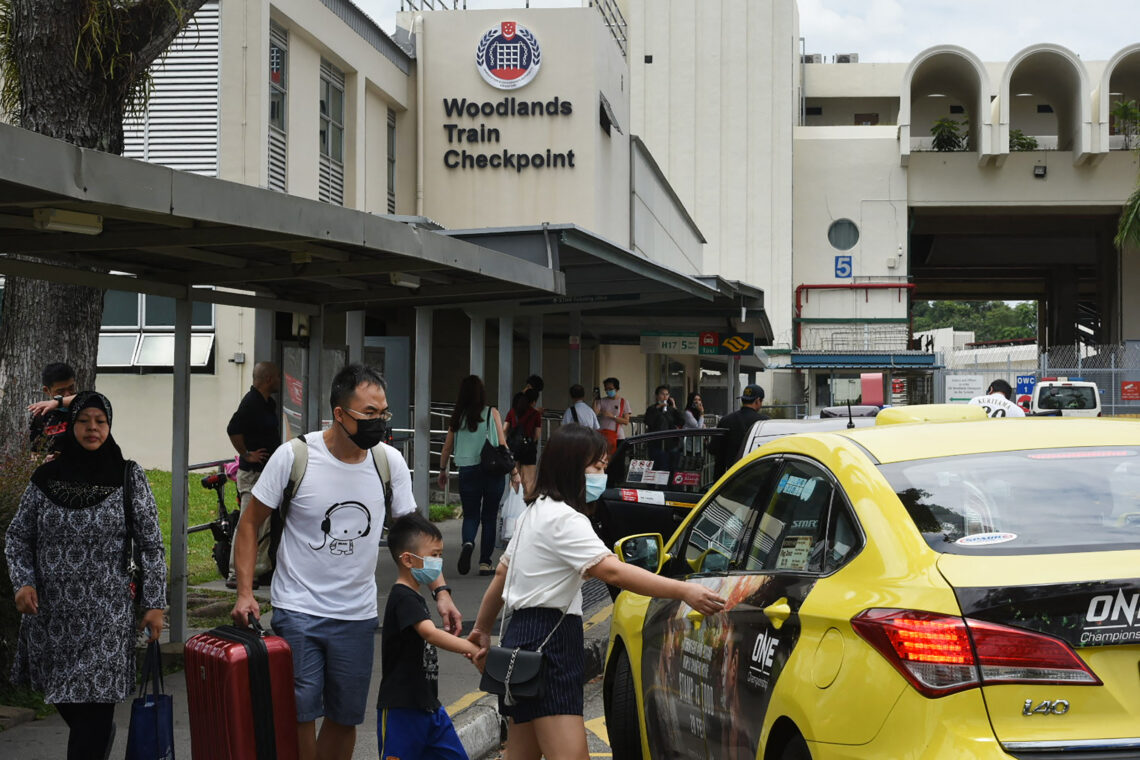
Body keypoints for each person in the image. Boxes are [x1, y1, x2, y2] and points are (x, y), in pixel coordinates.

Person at [230, 364, 460, 760]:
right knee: (301, 714)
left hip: (356, 615)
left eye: (383, 412)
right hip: (297, 609)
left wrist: (440, 590)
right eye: (369, 413)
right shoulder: (295, 456)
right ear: (340, 414)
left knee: (345, 717)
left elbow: (413, 538)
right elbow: (250, 525)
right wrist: (245, 593)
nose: (380, 421)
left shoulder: (387, 463)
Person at [467, 425, 725, 760]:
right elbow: (613, 570)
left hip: (520, 640)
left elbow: (502, 575)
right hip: (551, 646)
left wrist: (482, 629)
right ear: (572, 467)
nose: (602, 476)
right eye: (598, 468)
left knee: (521, 755)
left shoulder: (535, 511)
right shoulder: (566, 519)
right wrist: (684, 590)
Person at [6, 391, 166, 760]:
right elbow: (18, 536)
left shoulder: (128, 475)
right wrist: (24, 582)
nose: (93, 428)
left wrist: (154, 604)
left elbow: (151, 545)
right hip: (52, 620)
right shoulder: (45, 478)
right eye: (84, 420)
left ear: (109, 427)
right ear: (71, 425)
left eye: (101, 421)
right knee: (80, 714)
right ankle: (98, 733)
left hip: (106, 619)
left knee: (91, 724)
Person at [377, 514, 479, 760]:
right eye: (433, 555)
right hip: (402, 709)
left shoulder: (415, 597)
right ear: (409, 560)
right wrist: (470, 648)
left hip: (428, 705)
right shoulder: (402, 597)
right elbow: (430, 634)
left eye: (440, 555)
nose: (439, 562)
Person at [437, 375, 515, 577]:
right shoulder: (491, 413)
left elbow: (446, 447)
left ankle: (469, 542)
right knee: (489, 516)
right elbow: (501, 443)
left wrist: (442, 470)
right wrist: (514, 471)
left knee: (470, 514)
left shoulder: (458, 416)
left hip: (467, 470)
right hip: (491, 469)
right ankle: (485, 563)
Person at [225, 361, 282, 588]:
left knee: (264, 524)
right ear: (268, 379)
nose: (279, 380)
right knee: (248, 522)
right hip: (253, 474)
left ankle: (258, 570)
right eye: (277, 376)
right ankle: (235, 573)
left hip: (267, 473)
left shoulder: (268, 403)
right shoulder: (251, 403)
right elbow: (233, 429)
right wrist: (245, 454)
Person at [712, 384, 769, 479]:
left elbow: (714, 449)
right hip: (756, 478)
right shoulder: (764, 423)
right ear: (758, 400)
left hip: (730, 478)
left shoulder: (726, 420)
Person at [28, 362, 77, 455]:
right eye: (60, 391)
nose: (67, 394)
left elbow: (93, 398)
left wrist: (59, 402)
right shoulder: (41, 416)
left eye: (71, 388)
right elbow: (35, 453)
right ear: (47, 390)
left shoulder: (86, 406)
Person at [505, 387, 543, 493]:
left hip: (514, 448)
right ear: (533, 401)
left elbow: (504, 429)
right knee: (529, 479)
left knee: (515, 478)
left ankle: (512, 503)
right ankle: (527, 504)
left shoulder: (512, 412)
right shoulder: (535, 414)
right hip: (528, 449)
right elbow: (537, 435)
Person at [593, 376, 631, 454]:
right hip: (603, 435)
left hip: (618, 437)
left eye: (610, 389)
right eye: (606, 389)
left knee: (617, 462)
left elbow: (626, 421)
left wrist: (612, 416)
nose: (608, 391)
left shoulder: (623, 402)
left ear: (616, 389)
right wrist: (595, 399)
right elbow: (594, 413)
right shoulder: (601, 401)